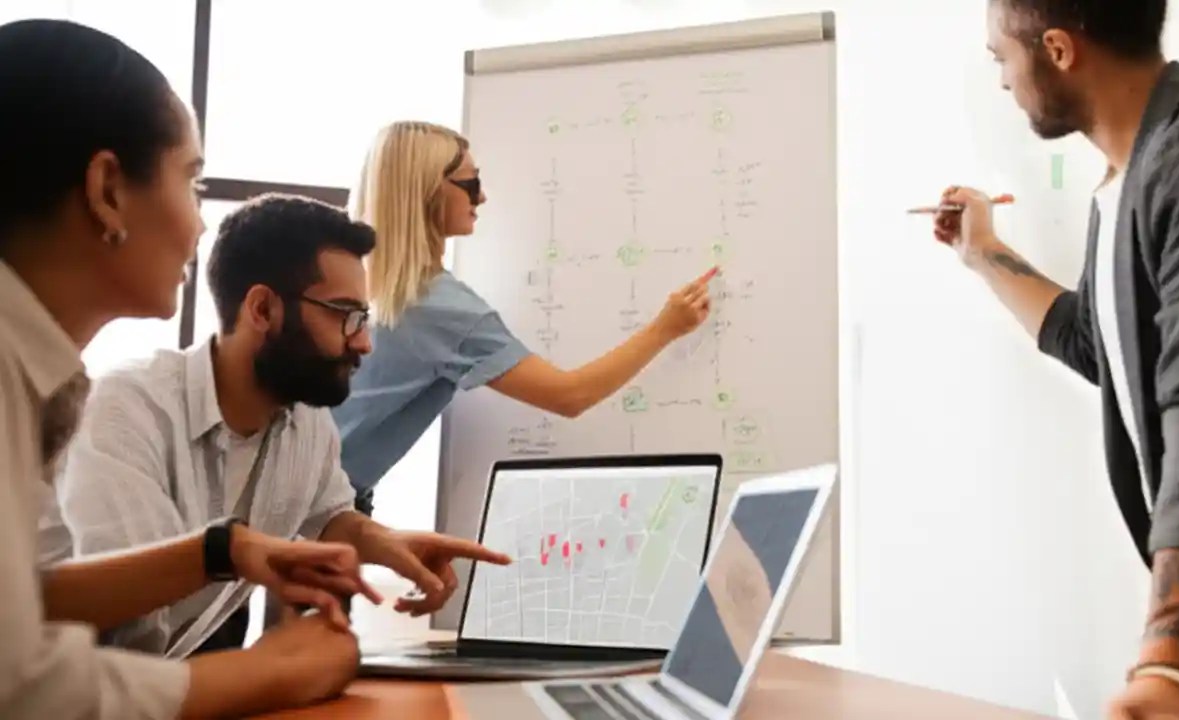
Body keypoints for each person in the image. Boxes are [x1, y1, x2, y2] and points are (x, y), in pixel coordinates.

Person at [0, 18, 382, 718]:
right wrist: (273, 672)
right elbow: (23, 686)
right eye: (193, 182)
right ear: (108, 190)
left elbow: (32, 601)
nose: (200, 226)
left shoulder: (33, 376)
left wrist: (225, 551)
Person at [934, 1, 1179, 717]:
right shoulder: (1130, 179)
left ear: (1057, 50)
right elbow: (1099, 343)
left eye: (1002, 56)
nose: (1002, 81)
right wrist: (984, 254)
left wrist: (1168, 661)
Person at [43, 192, 513, 658]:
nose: (365, 343)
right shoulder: (127, 409)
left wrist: (387, 544)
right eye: (347, 317)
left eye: (363, 319)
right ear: (263, 309)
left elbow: (327, 516)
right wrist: (277, 667)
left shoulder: (305, 419)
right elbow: (129, 625)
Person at [331, 121, 716, 514]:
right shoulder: (437, 306)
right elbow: (569, 396)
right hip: (318, 504)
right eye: (470, 184)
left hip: (306, 495)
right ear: (428, 191)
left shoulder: (351, 281)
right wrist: (665, 328)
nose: (481, 198)